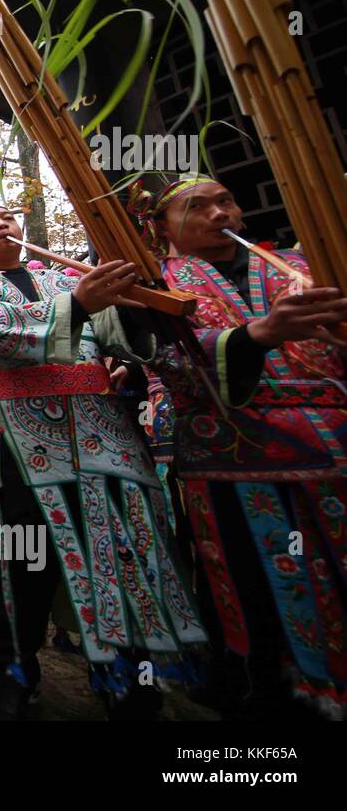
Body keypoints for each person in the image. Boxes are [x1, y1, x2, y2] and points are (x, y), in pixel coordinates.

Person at [0, 203, 207, 720]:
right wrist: (79, 305)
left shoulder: (66, 277)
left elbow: (123, 338)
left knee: (122, 548)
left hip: (102, 427)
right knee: (27, 555)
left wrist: (131, 302)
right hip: (22, 437)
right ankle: (16, 669)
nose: (4, 224)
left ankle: (126, 669)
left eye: (10, 217)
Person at [133, 176, 347, 718]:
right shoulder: (157, 284)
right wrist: (254, 337)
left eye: (225, 201)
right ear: (160, 228)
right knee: (254, 577)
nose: (216, 214)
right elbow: (167, 364)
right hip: (233, 454)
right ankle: (268, 693)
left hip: (332, 441)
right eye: (195, 208)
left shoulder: (307, 264)